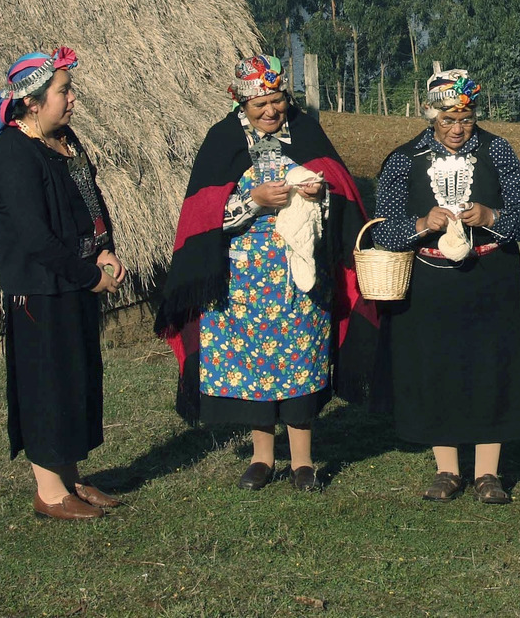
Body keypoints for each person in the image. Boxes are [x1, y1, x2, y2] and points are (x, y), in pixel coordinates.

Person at [155, 55, 372, 491]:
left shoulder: (306, 133)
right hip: (242, 282)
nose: (271, 111)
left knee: (301, 360)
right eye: (260, 105)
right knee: (253, 363)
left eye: (277, 101)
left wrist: (318, 193)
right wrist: (254, 201)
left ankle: (303, 462)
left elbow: (339, 196)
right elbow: (205, 218)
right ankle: (263, 457)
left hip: (300, 276)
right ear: (241, 103)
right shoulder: (222, 141)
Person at [373, 68, 520, 504]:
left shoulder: (498, 152)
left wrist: (492, 216)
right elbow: (383, 229)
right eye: (448, 120)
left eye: (466, 119)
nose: (458, 129)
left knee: (490, 366)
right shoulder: (404, 159)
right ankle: (447, 470)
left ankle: (488, 474)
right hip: (430, 282)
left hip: (491, 279)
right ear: (431, 115)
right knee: (436, 366)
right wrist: (420, 224)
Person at [0, 48, 127, 521]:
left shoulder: (65, 141)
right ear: (33, 102)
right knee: (47, 384)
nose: (73, 98)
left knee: (75, 379)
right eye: (64, 91)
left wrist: (104, 249)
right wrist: (89, 275)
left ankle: (71, 476)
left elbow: (89, 199)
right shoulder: (12, 154)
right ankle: (49, 491)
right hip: (41, 289)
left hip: (75, 281)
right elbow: (35, 237)